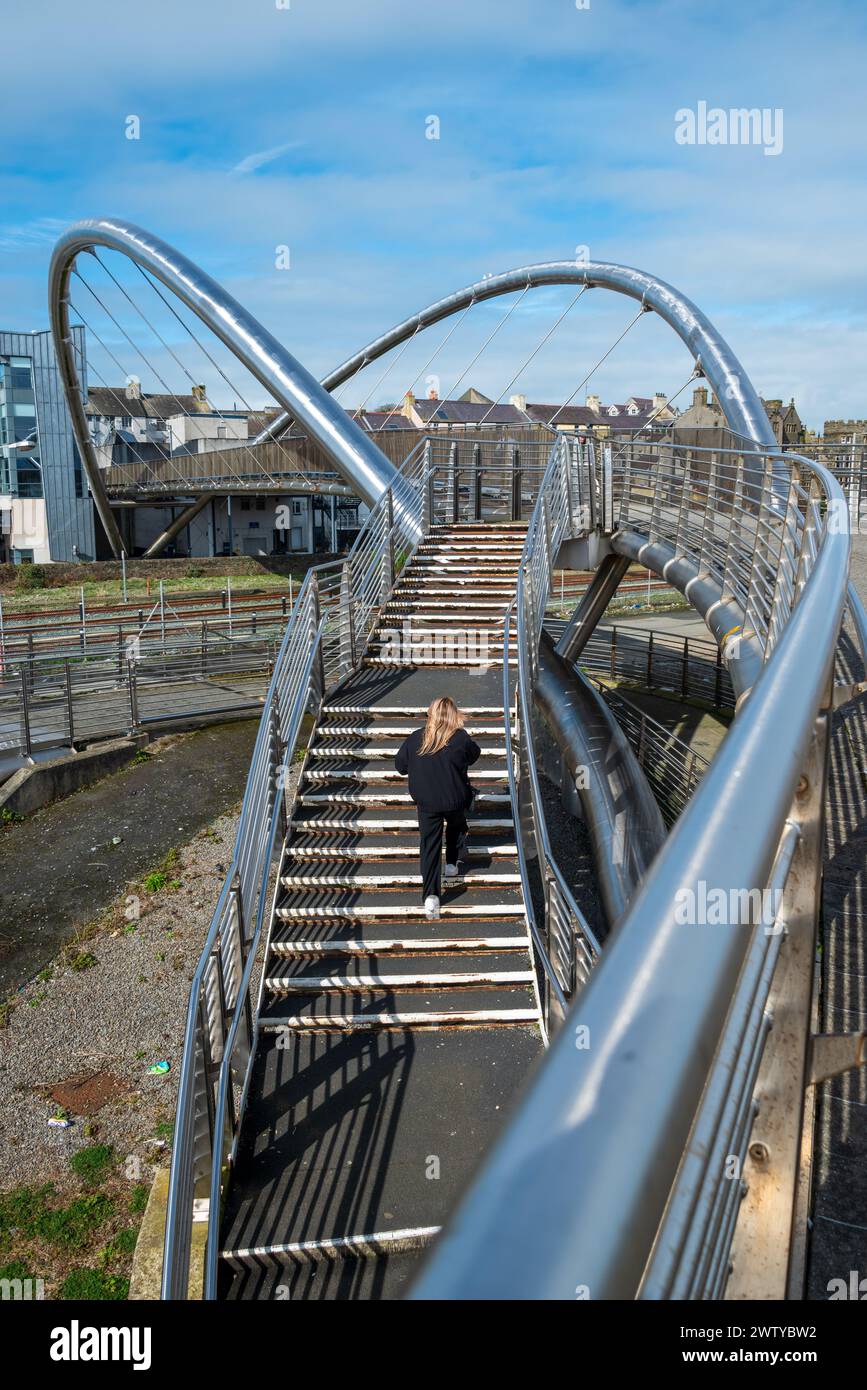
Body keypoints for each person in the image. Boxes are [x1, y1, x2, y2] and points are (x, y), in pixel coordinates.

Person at [395, 696, 481, 920]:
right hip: (455, 799)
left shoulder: (416, 739)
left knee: (429, 845)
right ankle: (451, 863)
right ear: (454, 715)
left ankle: (431, 896)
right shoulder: (461, 738)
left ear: (430, 714)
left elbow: (400, 767)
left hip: (427, 803)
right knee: (456, 824)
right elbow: (475, 755)